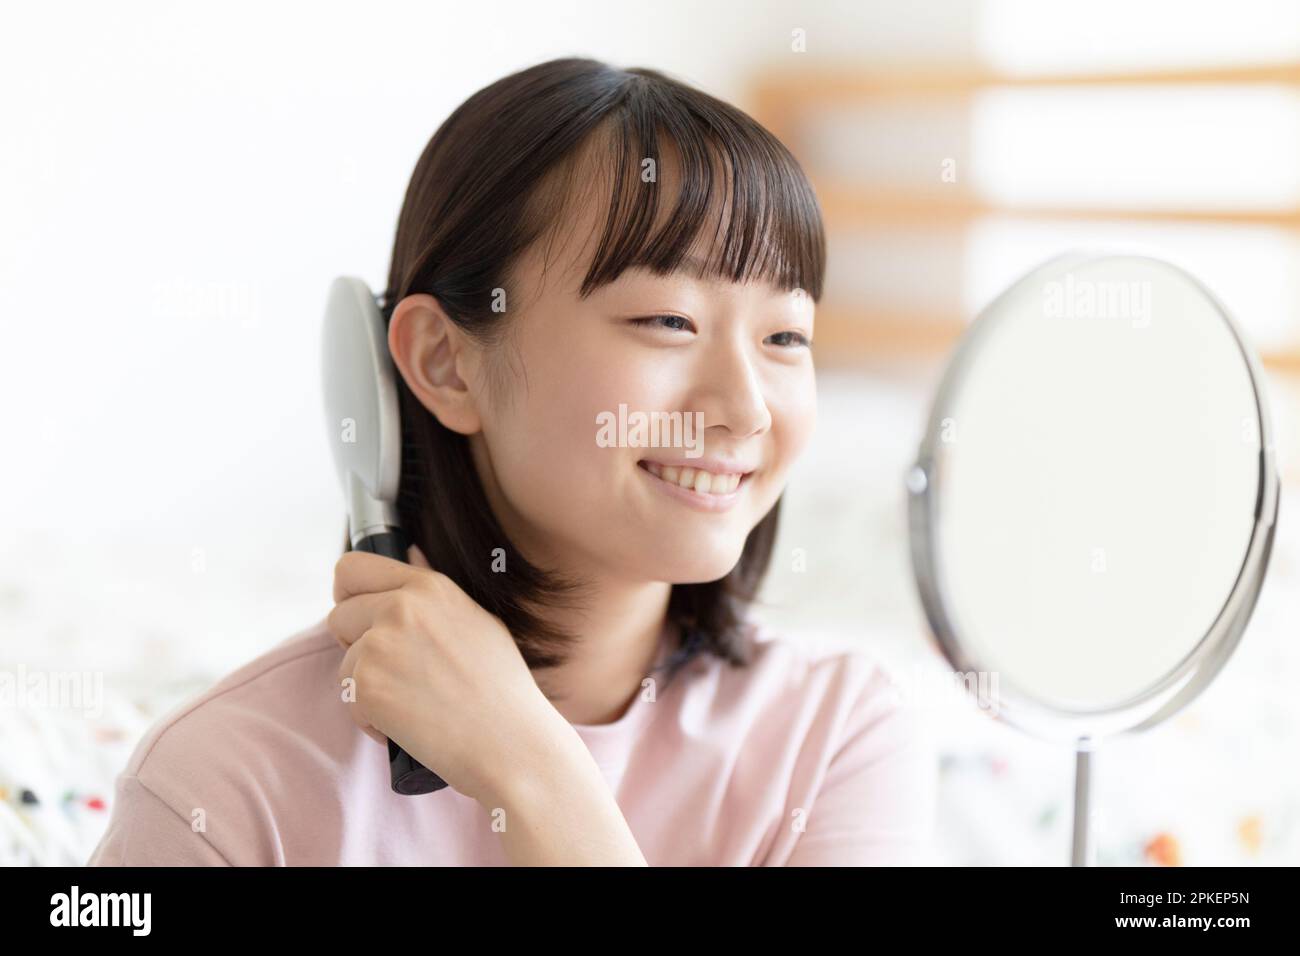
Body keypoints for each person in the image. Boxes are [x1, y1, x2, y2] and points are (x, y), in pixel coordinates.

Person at [88, 56, 936, 866]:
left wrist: (528, 768)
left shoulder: (837, 738)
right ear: (446, 363)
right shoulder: (223, 785)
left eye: (785, 337)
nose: (746, 407)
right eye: (669, 321)